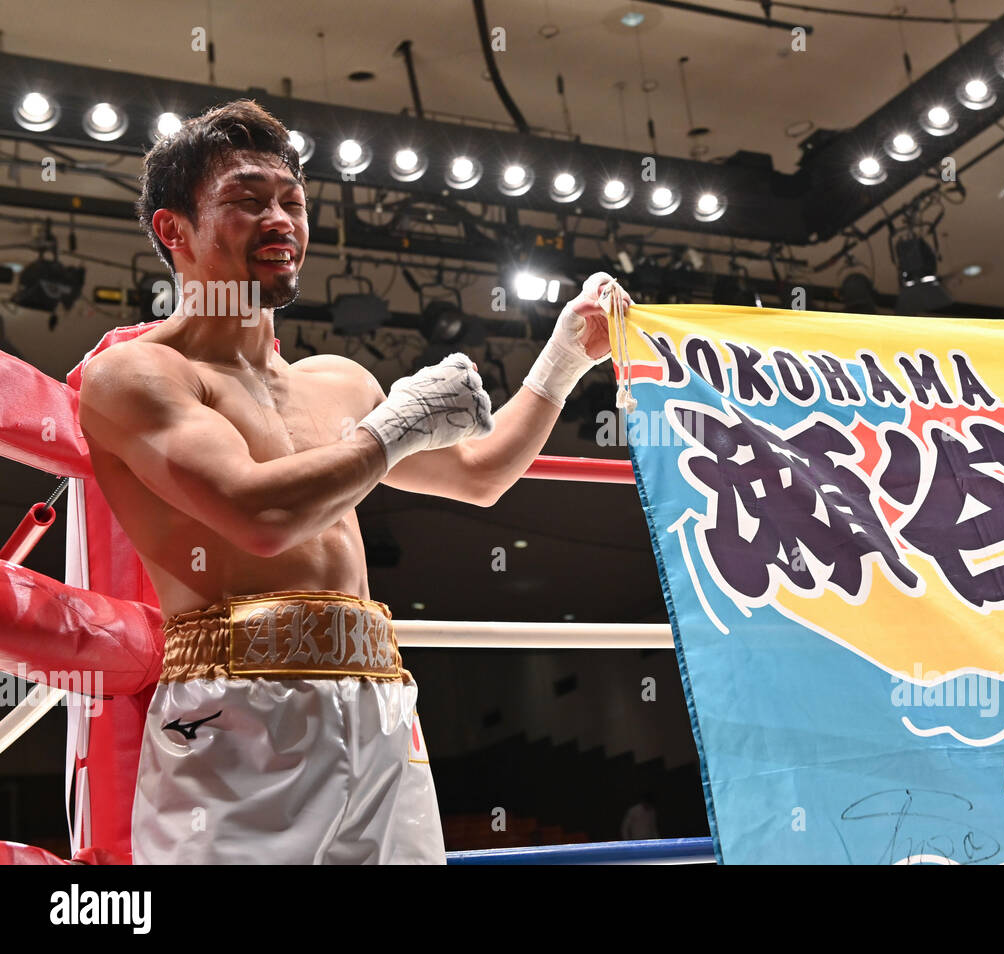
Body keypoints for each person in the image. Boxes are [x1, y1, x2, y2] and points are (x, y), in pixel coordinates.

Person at [75, 99, 633, 864]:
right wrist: (397, 425)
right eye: (246, 200)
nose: (279, 220)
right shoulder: (134, 374)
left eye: (292, 202)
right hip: (236, 715)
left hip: (378, 703)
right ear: (173, 230)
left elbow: (482, 475)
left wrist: (565, 358)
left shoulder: (336, 380)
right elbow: (258, 514)